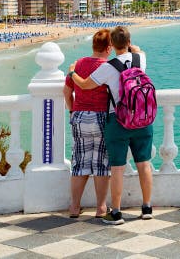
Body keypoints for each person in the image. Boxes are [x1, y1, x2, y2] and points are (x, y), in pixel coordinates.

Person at [68, 25, 153, 225]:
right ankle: (147, 207)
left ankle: (116, 212)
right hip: (142, 118)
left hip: (119, 121)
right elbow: (139, 49)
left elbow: (84, 84)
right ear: (129, 42)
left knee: (117, 168)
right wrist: (131, 47)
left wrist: (72, 73)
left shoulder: (107, 67)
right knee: (144, 164)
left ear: (112, 45)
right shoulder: (141, 59)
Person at [63, 29, 113, 218]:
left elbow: (66, 92)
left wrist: (73, 110)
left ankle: (74, 207)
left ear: (93, 45)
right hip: (100, 117)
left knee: (80, 163)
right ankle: (101, 208)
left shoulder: (78, 64)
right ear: (109, 48)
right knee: (101, 164)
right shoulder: (108, 67)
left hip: (80, 116)